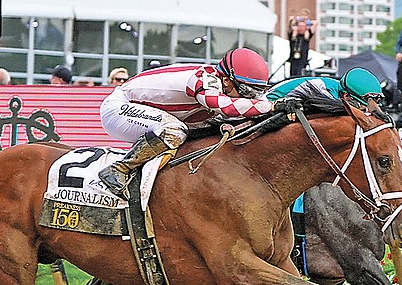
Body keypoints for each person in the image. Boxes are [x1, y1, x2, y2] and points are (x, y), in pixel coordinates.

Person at [97, 49, 274, 202]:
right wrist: (272, 106)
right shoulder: (203, 80)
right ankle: (119, 169)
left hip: (149, 110)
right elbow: (227, 107)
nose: (252, 97)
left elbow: (260, 106)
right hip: (119, 107)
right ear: (226, 80)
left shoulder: (228, 83)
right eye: (248, 92)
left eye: (257, 92)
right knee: (174, 130)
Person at [287, 11, 316, 78]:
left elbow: (315, 23)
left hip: (302, 61)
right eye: (300, 26)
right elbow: (289, 27)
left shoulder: (307, 36)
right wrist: (292, 20)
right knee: (292, 75)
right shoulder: (293, 35)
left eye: (303, 26)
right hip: (293, 60)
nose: (301, 28)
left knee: (300, 75)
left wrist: (307, 21)